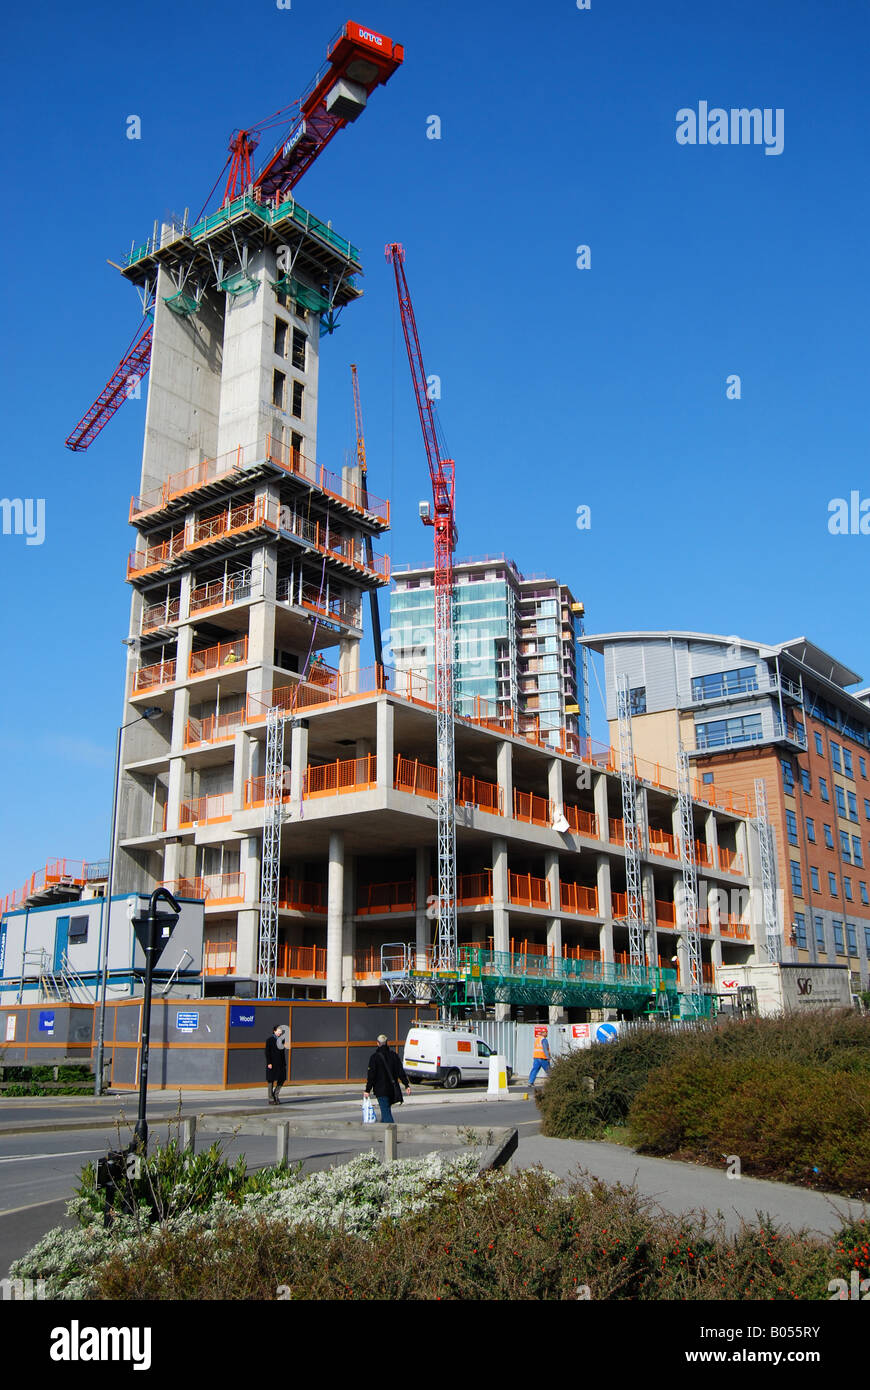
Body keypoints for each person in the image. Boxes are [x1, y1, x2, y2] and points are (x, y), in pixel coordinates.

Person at [364, 1033, 411, 1122]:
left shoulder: (374, 1058)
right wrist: (406, 1085)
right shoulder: (394, 1055)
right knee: (386, 1112)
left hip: (381, 1090)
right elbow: (400, 1071)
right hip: (392, 1089)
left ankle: (393, 1133)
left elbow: (371, 1076)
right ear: (387, 1043)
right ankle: (383, 1133)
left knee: (386, 1115)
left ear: (377, 1043)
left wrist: (367, 1090)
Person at [265, 1023, 287, 1105]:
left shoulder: (282, 1040)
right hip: (272, 1063)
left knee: (282, 1079)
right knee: (271, 1080)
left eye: (281, 1031)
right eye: (278, 1031)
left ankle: (276, 1095)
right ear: (274, 1031)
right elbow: (267, 1052)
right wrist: (269, 1063)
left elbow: (282, 1053)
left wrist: (284, 1063)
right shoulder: (270, 1040)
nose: (280, 1032)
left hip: (280, 1063)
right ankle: (271, 1098)